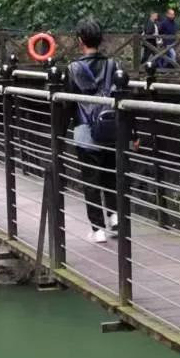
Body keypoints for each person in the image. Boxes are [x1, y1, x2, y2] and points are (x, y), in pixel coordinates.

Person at [66, 18, 122, 243]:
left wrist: (59, 133)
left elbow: (68, 104)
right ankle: (115, 216)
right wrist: (134, 134)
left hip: (85, 130)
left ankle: (98, 230)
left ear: (80, 40)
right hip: (109, 128)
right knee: (111, 175)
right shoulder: (113, 65)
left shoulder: (73, 69)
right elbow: (122, 97)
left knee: (90, 180)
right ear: (101, 40)